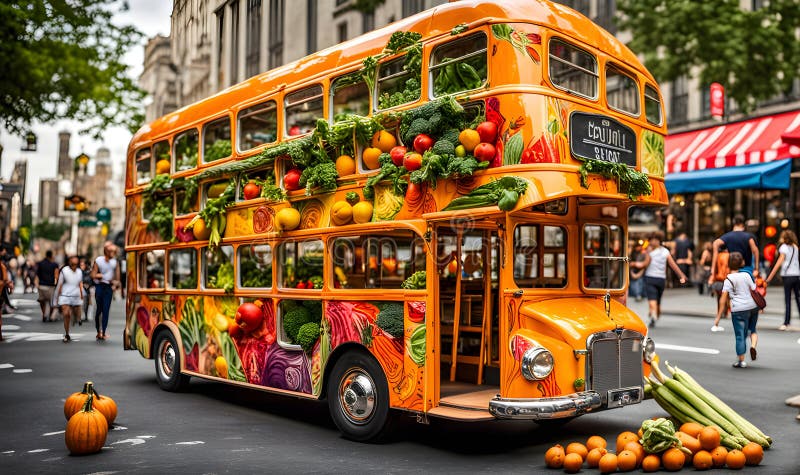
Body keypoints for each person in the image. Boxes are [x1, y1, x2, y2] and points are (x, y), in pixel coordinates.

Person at [713, 251, 759, 368]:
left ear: (728, 264)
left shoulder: (728, 279)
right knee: (752, 330)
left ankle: (741, 361)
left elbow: (723, 300)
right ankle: (753, 346)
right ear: (742, 263)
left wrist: (718, 318)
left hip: (738, 309)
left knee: (740, 335)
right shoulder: (747, 275)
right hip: (753, 307)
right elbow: (754, 289)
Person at [641, 231, 688, 327]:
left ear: (659, 240)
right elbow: (645, 264)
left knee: (656, 300)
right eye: (652, 240)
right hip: (652, 278)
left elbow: (673, 265)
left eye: (655, 240)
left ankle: (654, 313)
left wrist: (681, 275)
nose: (653, 242)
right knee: (652, 298)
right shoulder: (651, 251)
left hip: (659, 279)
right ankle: (653, 314)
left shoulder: (663, 251)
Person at [765, 229, 800, 331]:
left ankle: (786, 322)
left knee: (787, 299)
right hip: (796, 275)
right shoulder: (795, 247)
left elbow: (778, 263)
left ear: (784, 238)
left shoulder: (783, 247)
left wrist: (769, 277)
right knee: (798, 299)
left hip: (788, 275)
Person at [710, 214, 759, 279]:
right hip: (747, 271)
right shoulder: (749, 237)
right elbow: (755, 251)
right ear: (743, 224)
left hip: (732, 272)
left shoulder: (727, 236)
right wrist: (756, 269)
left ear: (734, 223)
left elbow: (715, 243)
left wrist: (713, 269)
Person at [91, 243, 120, 340]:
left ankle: (103, 332)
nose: (113, 253)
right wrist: (101, 276)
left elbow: (117, 278)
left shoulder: (115, 262)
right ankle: (98, 331)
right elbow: (93, 275)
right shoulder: (99, 260)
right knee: (99, 310)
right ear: (106, 251)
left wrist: (115, 284)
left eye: (114, 251)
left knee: (106, 310)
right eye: (111, 251)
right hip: (99, 286)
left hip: (108, 288)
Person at [54, 256, 84, 342]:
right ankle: (67, 334)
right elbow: (60, 284)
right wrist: (57, 297)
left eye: (76, 264)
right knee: (66, 314)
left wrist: (81, 293)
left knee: (75, 312)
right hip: (65, 296)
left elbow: (80, 283)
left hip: (75, 296)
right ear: (69, 263)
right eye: (73, 264)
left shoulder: (79, 272)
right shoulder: (64, 271)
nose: (74, 266)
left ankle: (76, 317)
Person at [36, 250, 59, 322]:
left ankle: (44, 314)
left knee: (42, 301)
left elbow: (37, 274)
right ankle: (50, 315)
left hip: (41, 285)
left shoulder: (40, 263)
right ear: (51, 255)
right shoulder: (55, 264)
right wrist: (56, 284)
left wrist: (37, 284)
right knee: (51, 302)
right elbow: (56, 275)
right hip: (51, 286)